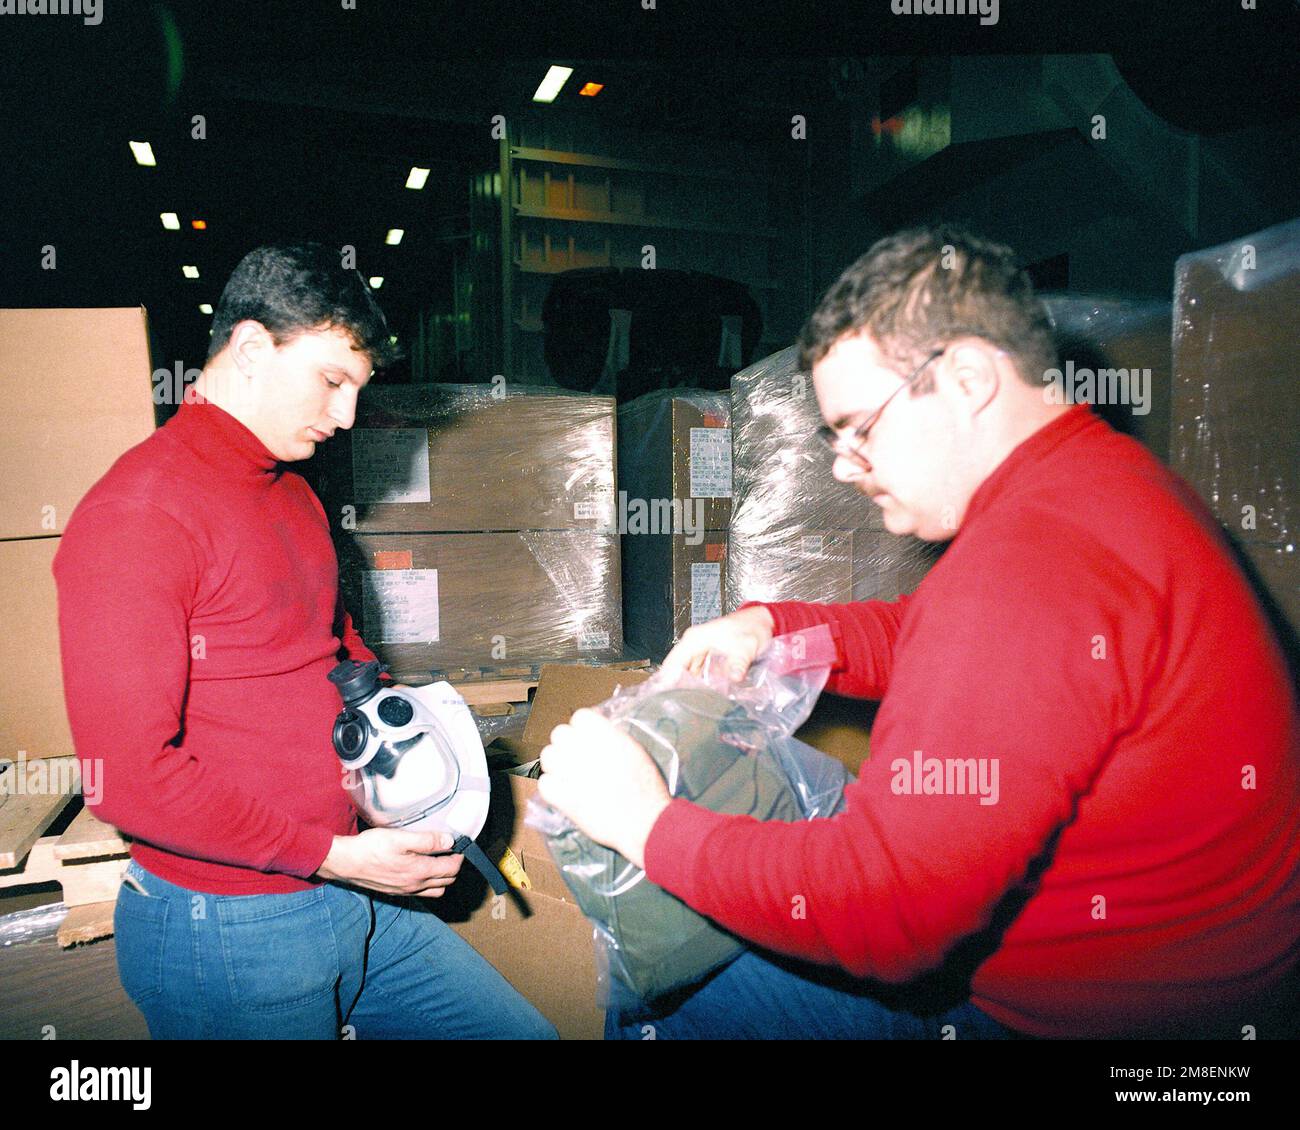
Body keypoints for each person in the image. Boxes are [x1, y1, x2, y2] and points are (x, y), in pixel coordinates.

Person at [538, 225, 1300, 1040]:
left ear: (969, 378)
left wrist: (645, 824)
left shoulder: (1031, 563)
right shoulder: (1100, 483)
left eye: (859, 426)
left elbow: (892, 915)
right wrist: (774, 627)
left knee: (657, 995)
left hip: (1068, 1016)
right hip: (1193, 980)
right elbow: (936, 637)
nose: (841, 463)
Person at [54, 243, 556, 1040]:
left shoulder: (291, 492)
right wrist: (333, 854)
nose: (348, 415)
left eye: (358, 387)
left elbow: (338, 648)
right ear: (252, 349)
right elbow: (129, 781)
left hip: (351, 896)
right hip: (229, 931)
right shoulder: (139, 515)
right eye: (332, 381)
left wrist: (415, 769)